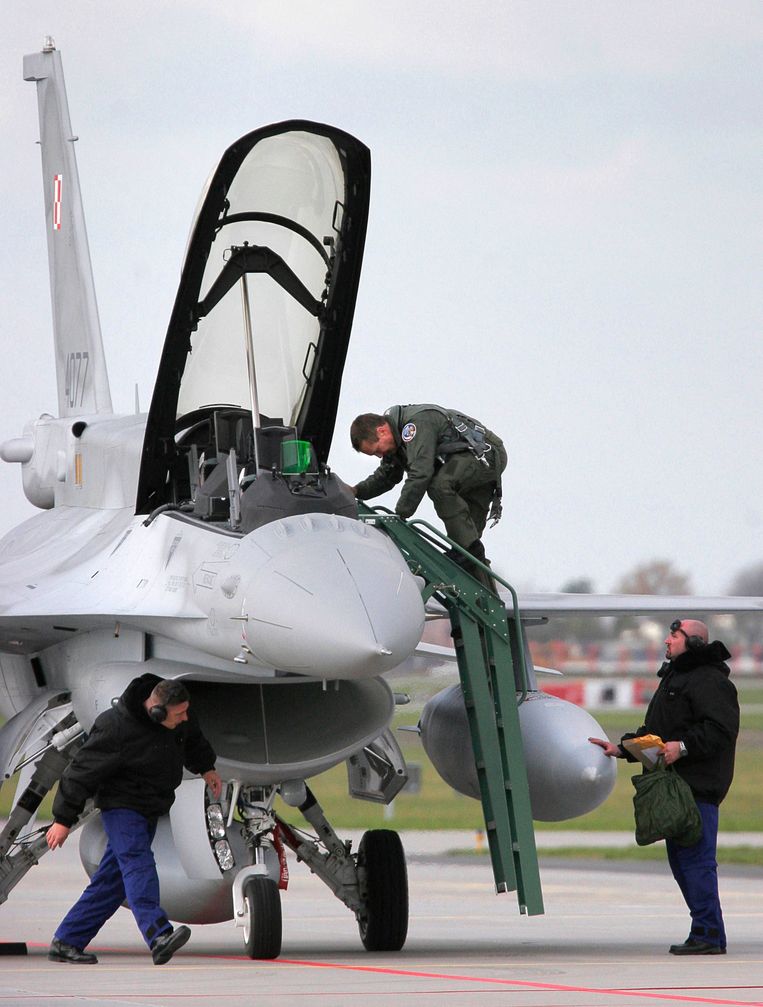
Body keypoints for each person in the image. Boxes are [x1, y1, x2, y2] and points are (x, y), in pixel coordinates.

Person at [46, 675, 222, 966]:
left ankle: (67, 940)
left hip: (150, 806)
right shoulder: (116, 727)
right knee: (138, 863)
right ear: (157, 710)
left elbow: (192, 740)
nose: (185, 718)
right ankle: (158, 934)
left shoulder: (179, 719)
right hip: (121, 807)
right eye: (179, 714)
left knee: (112, 882)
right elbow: (80, 772)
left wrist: (207, 768)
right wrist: (63, 820)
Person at [589, 618, 738, 956]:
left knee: (696, 861)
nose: (667, 640)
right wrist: (621, 748)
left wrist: (681, 747)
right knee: (682, 862)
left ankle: (709, 935)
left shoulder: (710, 682)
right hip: (675, 787)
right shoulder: (676, 677)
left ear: (695, 643)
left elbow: (720, 730)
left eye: (675, 635)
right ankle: (705, 930)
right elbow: (655, 732)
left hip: (698, 788)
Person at [349, 405, 507, 569]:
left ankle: (469, 551)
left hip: (485, 455)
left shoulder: (416, 425)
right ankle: (478, 572)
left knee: (440, 486)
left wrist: (400, 515)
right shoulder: (395, 438)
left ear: (382, 431)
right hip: (464, 460)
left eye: (377, 450)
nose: (380, 455)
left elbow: (420, 473)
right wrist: (356, 491)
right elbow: (387, 476)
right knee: (469, 551)